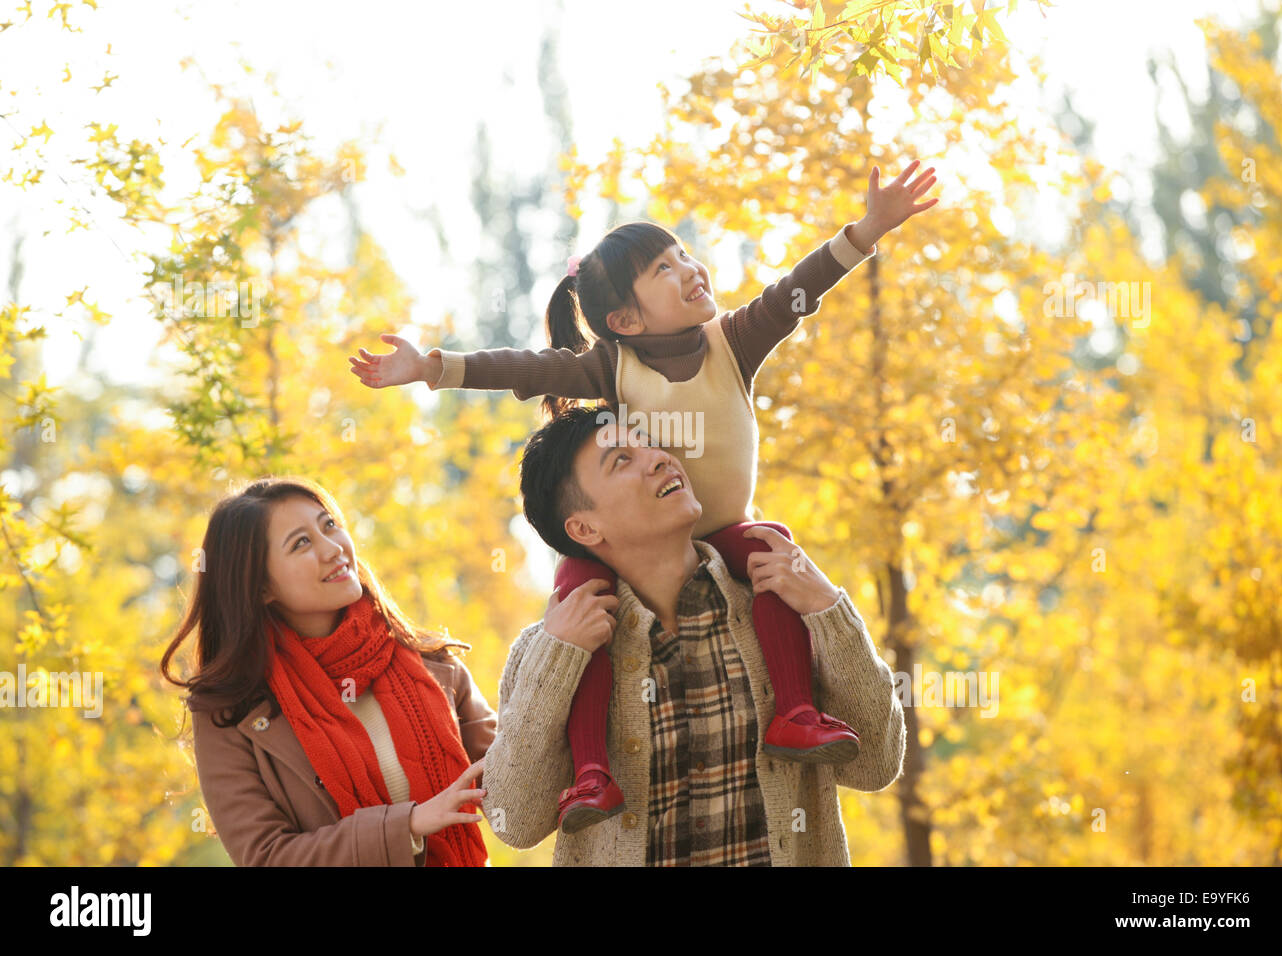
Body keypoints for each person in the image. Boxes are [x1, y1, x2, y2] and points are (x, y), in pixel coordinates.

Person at [349, 160, 935, 832]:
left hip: (722, 531)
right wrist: (432, 368)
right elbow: (527, 367)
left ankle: (795, 711)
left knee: (777, 555)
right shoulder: (612, 366)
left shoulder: (732, 342)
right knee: (580, 612)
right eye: (664, 268)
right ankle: (592, 769)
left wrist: (866, 232)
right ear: (624, 317)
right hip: (638, 550)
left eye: (683, 253)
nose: (690, 268)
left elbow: (796, 291)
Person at [481, 406, 906, 865]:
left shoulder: (783, 606)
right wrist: (558, 655)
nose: (658, 458)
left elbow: (875, 764)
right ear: (585, 528)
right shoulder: (549, 653)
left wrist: (829, 610)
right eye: (621, 460)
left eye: (648, 443)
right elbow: (513, 821)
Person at [161, 476, 495, 866]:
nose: (333, 548)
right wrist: (406, 827)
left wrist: (556, 649)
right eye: (301, 543)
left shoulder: (430, 663)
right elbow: (268, 857)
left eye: (329, 525)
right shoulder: (231, 712)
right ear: (262, 588)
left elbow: (516, 787)